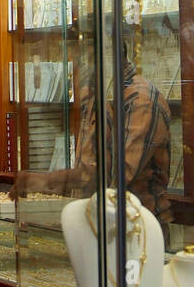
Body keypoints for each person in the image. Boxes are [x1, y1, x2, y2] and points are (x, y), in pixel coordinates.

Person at [15, 43, 171, 237]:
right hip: (101, 224)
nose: (80, 67)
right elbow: (89, 162)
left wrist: (47, 181)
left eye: (86, 59)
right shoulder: (99, 95)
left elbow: (117, 175)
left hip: (138, 230)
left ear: (108, 54)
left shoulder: (141, 99)